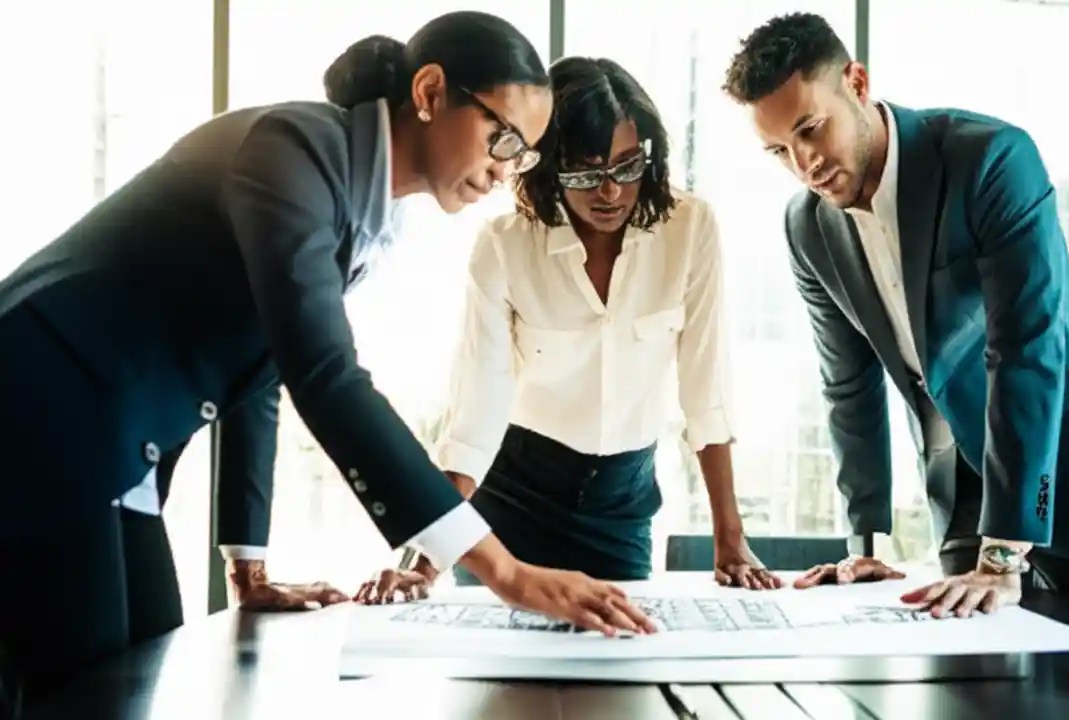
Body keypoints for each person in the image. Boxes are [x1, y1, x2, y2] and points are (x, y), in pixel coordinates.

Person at [0, 11, 654, 699]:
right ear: (430, 93)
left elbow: (259, 364)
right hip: (42, 410)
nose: (504, 168)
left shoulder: (358, 204)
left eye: (523, 155)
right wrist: (505, 571)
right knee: (84, 691)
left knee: (138, 674)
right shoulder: (294, 150)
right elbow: (324, 375)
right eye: (504, 137)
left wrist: (246, 565)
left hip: (109, 440)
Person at [720, 13, 1069, 620]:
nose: (804, 162)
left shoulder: (991, 159)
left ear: (857, 83)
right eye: (779, 150)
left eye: (811, 129)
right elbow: (848, 386)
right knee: (968, 664)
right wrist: (866, 546)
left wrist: (1003, 557)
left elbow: (1026, 348)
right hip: (963, 485)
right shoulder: (806, 226)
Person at [360, 56, 782, 599]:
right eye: (584, 173)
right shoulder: (505, 245)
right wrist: (423, 560)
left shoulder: (689, 228)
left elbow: (706, 391)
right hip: (511, 501)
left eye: (626, 167)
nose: (610, 192)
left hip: (620, 508)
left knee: (622, 644)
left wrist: (730, 538)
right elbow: (474, 418)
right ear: (546, 165)